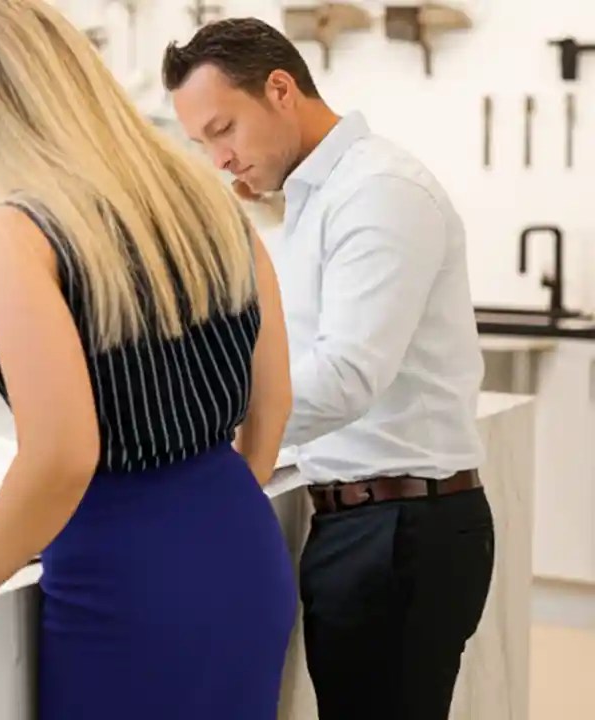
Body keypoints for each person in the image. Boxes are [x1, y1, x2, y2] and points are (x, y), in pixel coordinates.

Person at [0, 1, 296, 717]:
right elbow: (272, 404)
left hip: (124, 581)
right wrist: (203, 515)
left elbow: (62, 456)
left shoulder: (16, 231)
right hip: (243, 548)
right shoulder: (207, 202)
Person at [164, 18, 494, 720]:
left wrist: (197, 421)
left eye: (224, 130)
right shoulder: (318, 196)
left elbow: (345, 376)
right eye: (203, 144)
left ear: (281, 90)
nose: (219, 160)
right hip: (368, 524)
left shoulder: (380, 190)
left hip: (400, 531)